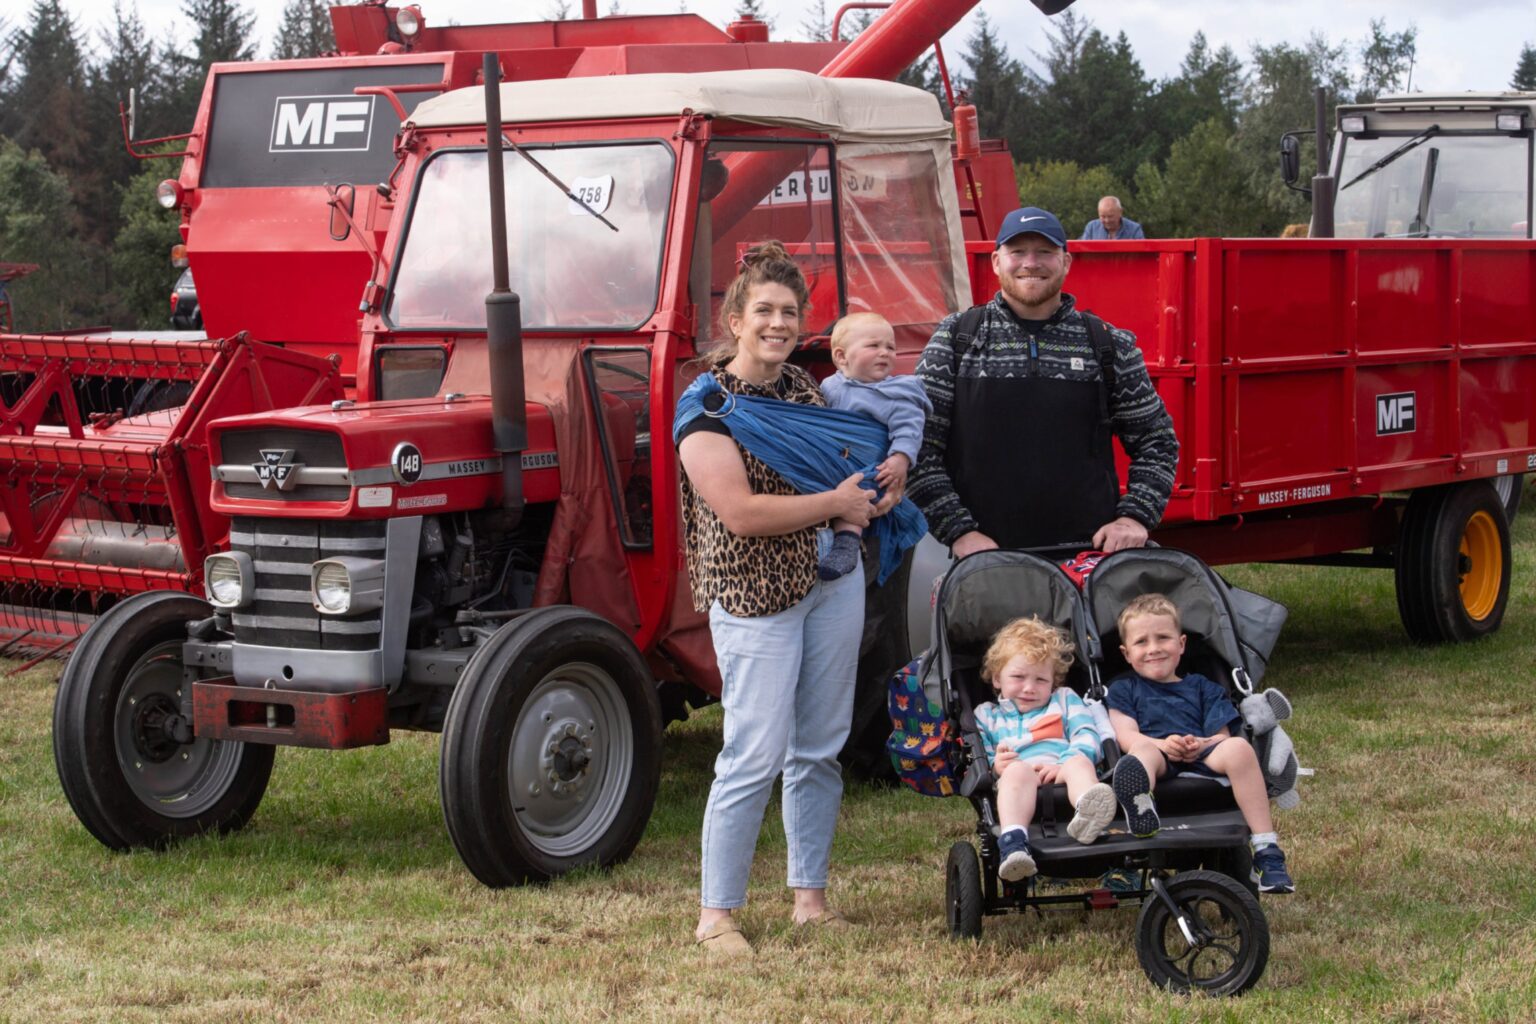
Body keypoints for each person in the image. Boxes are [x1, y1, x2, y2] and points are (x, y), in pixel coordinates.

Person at [675, 241, 885, 956]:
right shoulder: (706, 406)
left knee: (819, 748)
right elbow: (739, 513)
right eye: (762, 310)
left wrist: (883, 485)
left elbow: (856, 467)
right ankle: (717, 917)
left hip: (832, 583)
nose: (777, 322)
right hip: (755, 593)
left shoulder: (806, 390)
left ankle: (810, 899)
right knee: (752, 753)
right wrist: (838, 502)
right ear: (735, 319)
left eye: (789, 312)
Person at [910, 205, 1179, 557]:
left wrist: (1134, 518)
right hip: (984, 559)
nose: (1030, 263)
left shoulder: (1108, 344)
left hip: (1088, 559)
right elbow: (916, 446)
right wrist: (960, 532)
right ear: (996, 261)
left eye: (1045, 252)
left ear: (1065, 262)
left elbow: (1156, 442)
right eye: (1017, 251)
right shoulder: (956, 339)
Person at [1105, 593, 1296, 894]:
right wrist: (1163, 745)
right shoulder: (1123, 690)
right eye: (1141, 642)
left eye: (1163, 638)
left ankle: (1266, 849)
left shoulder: (1203, 687)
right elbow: (1125, 735)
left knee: (1239, 748)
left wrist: (1200, 743)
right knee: (1138, 754)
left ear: (1181, 644)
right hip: (1155, 754)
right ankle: (1141, 805)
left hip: (1202, 754)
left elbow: (1221, 735)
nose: (1153, 648)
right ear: (1126, 652)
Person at [974, 617, 1116, 883]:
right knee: (1016, 772)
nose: (1029, 688)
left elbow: (1086, 734)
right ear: (996, 678)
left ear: (1054, 682)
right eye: (1018, 677)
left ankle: (1090, 810)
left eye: (1041, 679)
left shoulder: (1064, 700)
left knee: (1080, 761)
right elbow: (978, 752)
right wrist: (996, 764)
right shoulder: (987, 715)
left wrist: (1063, 763)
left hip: (1062, 771)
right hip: (1020, 775)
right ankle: (1014, 843)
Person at [816, 311, 932, 581]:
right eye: (874, 346)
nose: (885, 353)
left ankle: (846, 542)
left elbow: (909, 429)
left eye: (890, 347)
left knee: (863, 486)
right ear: (841, 357)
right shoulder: (828, 387)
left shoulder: (897, 394)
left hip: (873, 467)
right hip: (835, 464)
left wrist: (900, 458)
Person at [1080, 196, 1145, 240]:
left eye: (1110, 216)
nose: (1107, 220)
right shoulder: (1091, 227)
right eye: (1103, 216)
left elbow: (1142, 254)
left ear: (1120, 212)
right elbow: (1080, 249)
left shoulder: (1134, 229)